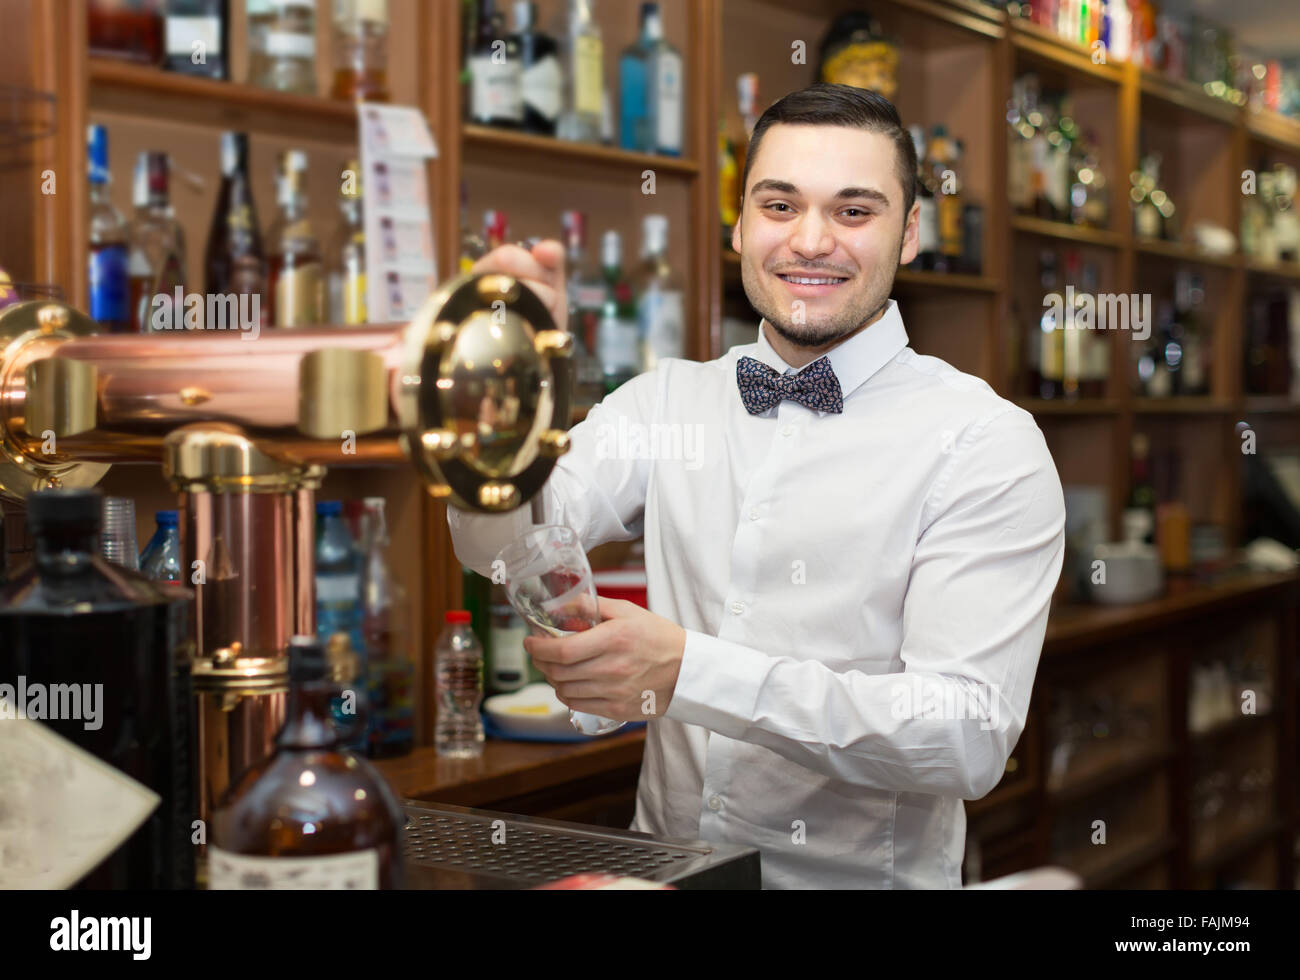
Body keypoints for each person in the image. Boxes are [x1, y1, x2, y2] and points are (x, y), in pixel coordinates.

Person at [449, 83, 1066, 889]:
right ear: (739, 223)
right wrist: (501, 416)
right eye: (780, 205)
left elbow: (965, 736)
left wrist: (690, 673)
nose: (810, 241)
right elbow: (504, 552)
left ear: (910, 232)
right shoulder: (666, 399)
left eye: (854, 212)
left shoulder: (987, 443)